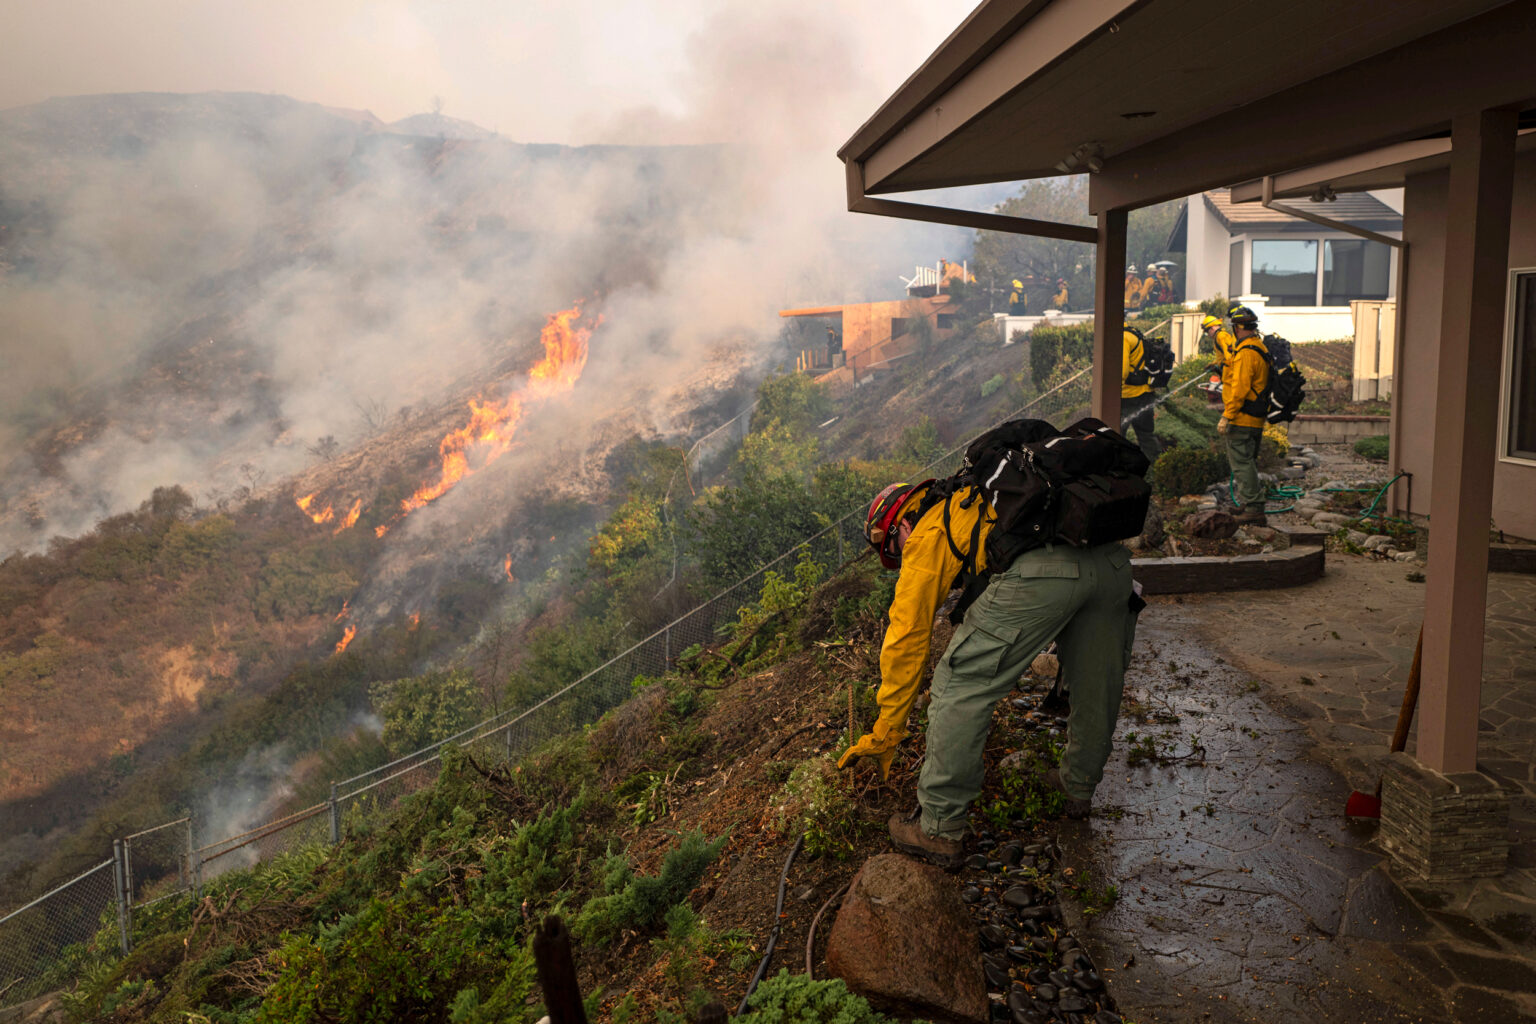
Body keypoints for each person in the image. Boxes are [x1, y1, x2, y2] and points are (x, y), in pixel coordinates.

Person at [840, 466, 1141, 869]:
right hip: (1111, 563)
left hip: (1045, 573)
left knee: (958, 684)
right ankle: (1078, 786)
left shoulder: (928, 532)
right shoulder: (981, 497)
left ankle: (939, 829)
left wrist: (887, 729)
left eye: (893, 549)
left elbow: (907, 638)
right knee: (1096, 679)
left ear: (901, 525)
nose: (899, 557)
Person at [1220, 305, 1270, 525]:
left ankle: (1254, 508)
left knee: (1241, 463)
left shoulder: (1246, 353)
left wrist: (1227, 416)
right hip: (1255, 418)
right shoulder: (1258, 347)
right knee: (1247, 462)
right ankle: (1249, 504)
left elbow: (1240, 388)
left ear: (1238, 328)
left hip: (1242, 418)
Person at [1121, 329, 1163, 463]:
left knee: (1115, 434)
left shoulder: (1122, 338)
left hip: (1128, 396)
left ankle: (1117, 468)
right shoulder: (1134, 334)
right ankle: (1155, 467)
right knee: (1146, 435)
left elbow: (1122, 371)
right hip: (1146, 393)